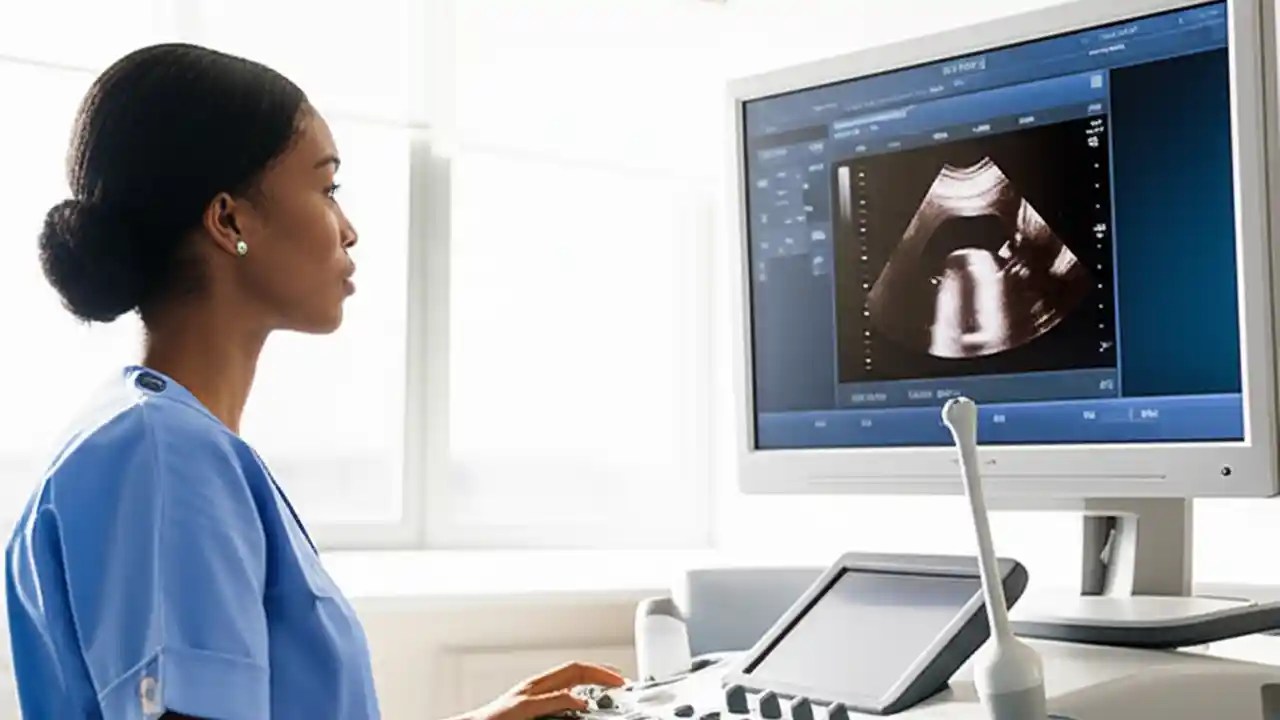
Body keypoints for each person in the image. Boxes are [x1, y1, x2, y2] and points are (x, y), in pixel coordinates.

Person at [4, 43, 623, 718]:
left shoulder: (159, 440)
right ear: (230, 219)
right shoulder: (163, 454)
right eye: (326, 189)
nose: (348, 230)